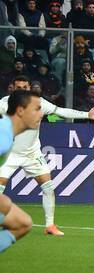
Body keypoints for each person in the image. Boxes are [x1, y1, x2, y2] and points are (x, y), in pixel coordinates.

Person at [0, 74, 94, 236]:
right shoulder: (4, 104)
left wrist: (86, 115)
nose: (22, 90)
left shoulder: (38, 103)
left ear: (29, 88)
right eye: (19, 87)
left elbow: (61, 111)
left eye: (25, 87)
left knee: (48, 186)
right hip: (9, 154)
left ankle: (50, 226)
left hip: (32, 153)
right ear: (12, 88)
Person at [0, 91, 43, 255]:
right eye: (37, 109)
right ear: (20, 110)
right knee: (3, 203)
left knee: (22, 223)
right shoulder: (3, 136)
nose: (41, 113)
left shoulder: (7, 132)